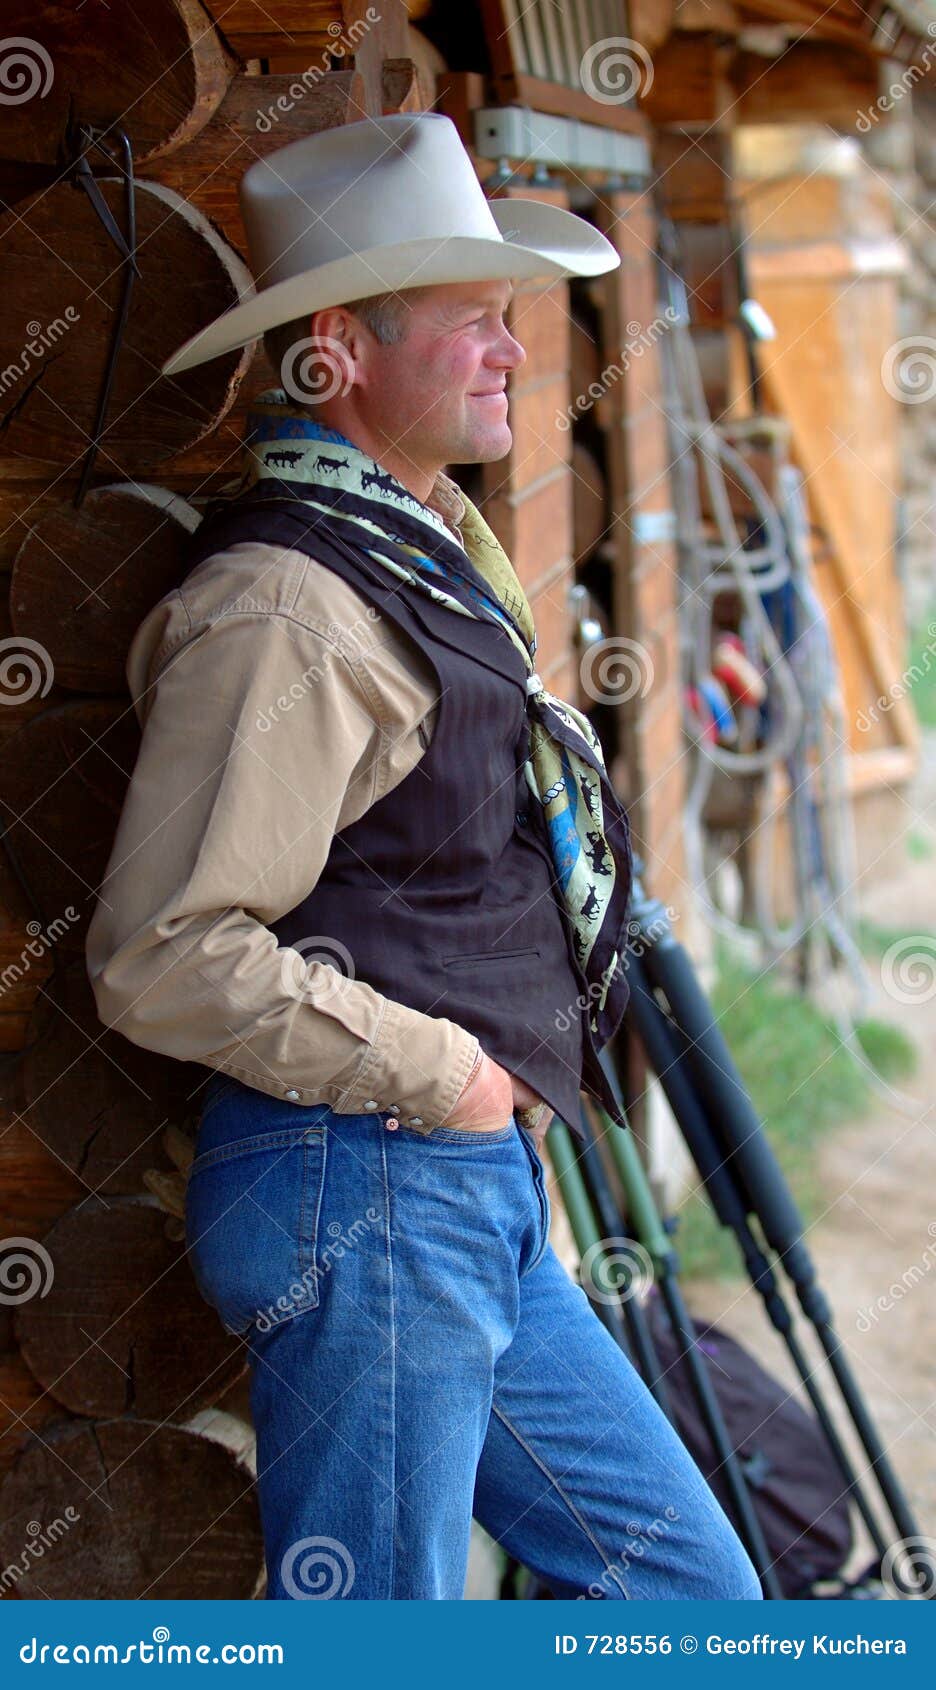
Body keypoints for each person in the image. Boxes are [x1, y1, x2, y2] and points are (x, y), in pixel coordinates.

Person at [87, 112, 761, 1602]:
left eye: (509, 317)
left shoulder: (417, 552)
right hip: (368, 1182)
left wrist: (487, 1125)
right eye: (476, 321)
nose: (517, 349)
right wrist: (447, 1078)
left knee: (694, 1601)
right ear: (338, 345)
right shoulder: (289, 603)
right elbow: (163, 949)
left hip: (455, 1191)